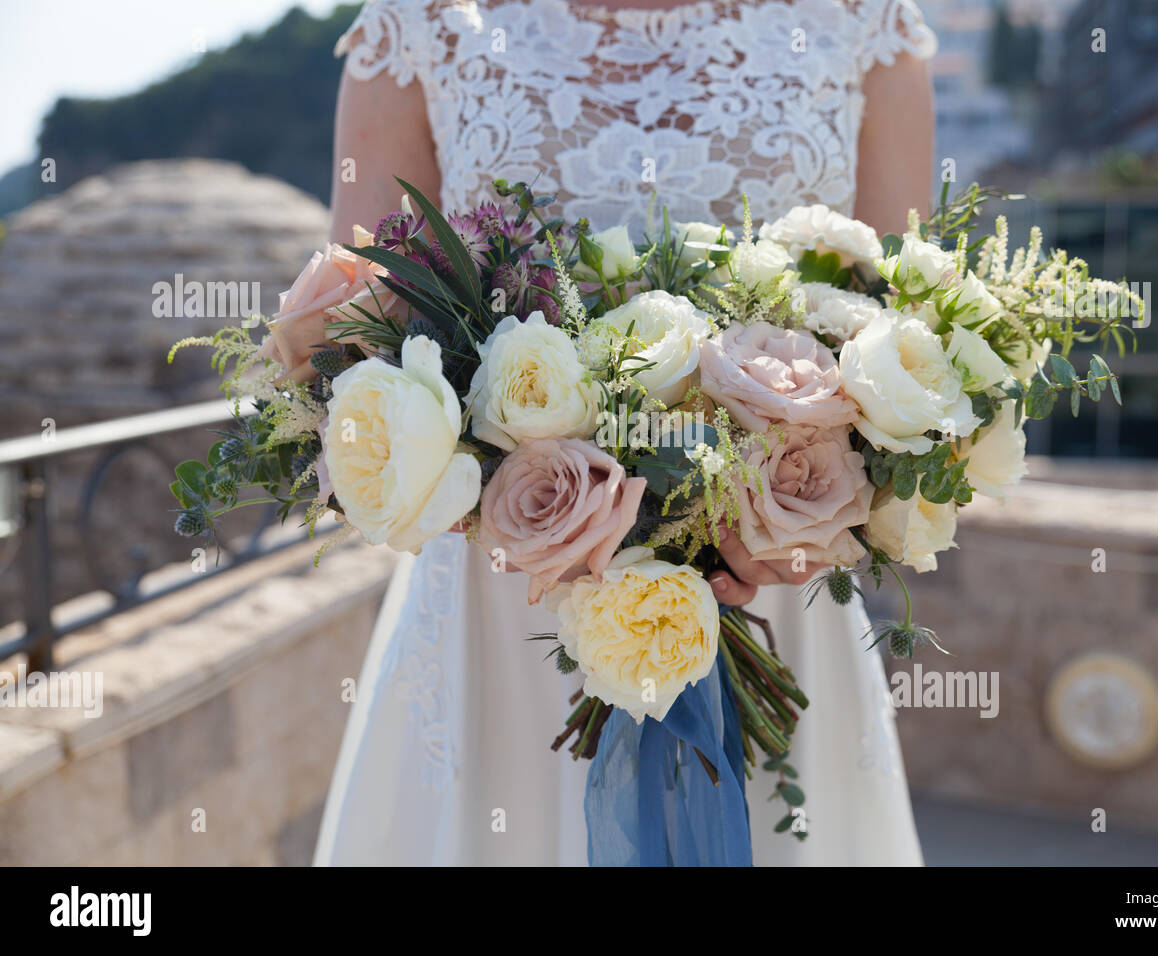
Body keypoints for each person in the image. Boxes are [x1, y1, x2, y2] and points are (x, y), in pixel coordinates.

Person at [314, 0, 937, 866]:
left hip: (777, 572)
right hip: (513, 580)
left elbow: (908, 323)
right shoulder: (421, 22)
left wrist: (791, 513)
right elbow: (368, 321)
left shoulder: (860, 19)